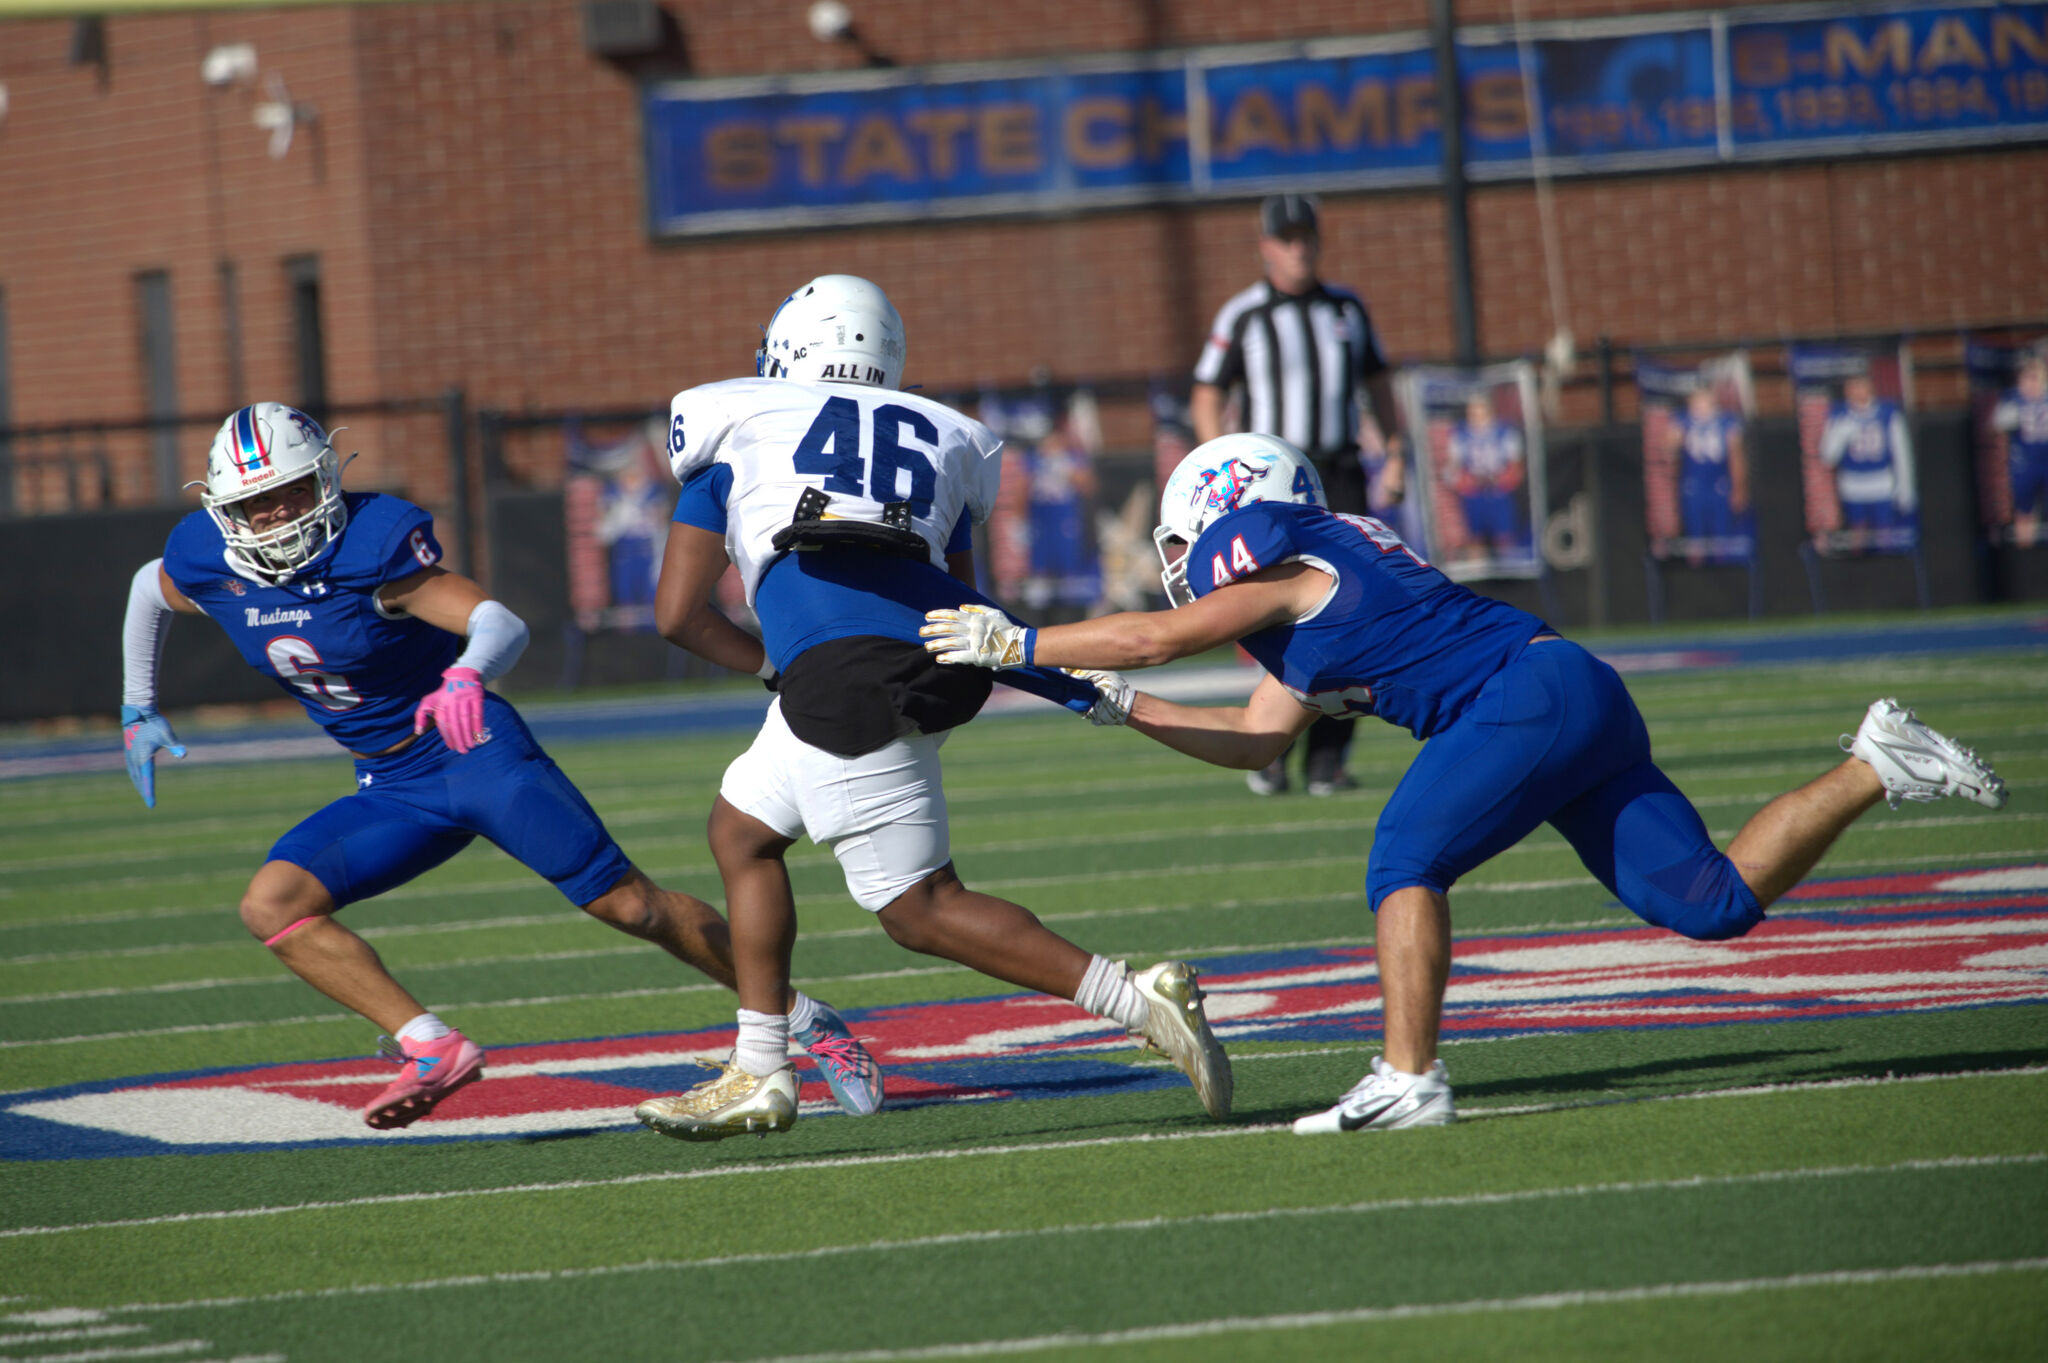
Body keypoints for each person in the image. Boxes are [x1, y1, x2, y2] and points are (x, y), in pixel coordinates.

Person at [922, 431, 2009, 1134]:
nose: (1177, 555)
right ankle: (1876, 761)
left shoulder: (1274, 544)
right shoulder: (1320, 582)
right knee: (1707, 899)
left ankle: (1408, 1075)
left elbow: (1159, 637)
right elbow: (1257, 738)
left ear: (1226, 506)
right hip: (1564, 687)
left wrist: (1019, 641)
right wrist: (1120, 710)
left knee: (1403, 857)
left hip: (1518, 697)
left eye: (1181, 535)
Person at [118, 403, 881, 1130]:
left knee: (631, 908)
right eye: (259, 504)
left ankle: (805, 1017)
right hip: (391, 784)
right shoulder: (210, 558)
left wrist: (467, 672)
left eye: (290, 494)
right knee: (271, 904)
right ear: (227, 511)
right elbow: (147, 588)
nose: (279, 516)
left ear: (321, 479)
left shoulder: (370, 544)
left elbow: (497, 621)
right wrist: (138, 703)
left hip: (473, 750)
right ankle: (429, 1044)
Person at [630, 275, 1232, 1141]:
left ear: (788, 351)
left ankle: (1134, 998)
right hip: (936, 663)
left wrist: (774, 662)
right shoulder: (947, 437)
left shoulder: (736, 420)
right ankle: (759, 1063)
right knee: (743, 829)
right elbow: (965, 604)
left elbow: (677, 614)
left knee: (921, 908)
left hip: (839, 675)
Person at [1192, 192, 1400, 798]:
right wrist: (1220, 465)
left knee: (1354, 608)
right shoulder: (1244, 314)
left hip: (1339, 472)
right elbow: (1206, 392)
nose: (1297, 247)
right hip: (1271, 482)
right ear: (1265, 247)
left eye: (1305, 235)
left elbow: (1379, 382)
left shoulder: (1347, 309)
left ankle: (1327, 761)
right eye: (1285, 238)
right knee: (1274, 611)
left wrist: (1394, 450)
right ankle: (1268, 747)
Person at [1819, 374, 1916, 551]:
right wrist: (1840, 434)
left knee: (1885, 534)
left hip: (1882, 483)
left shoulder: (1888, 412)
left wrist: (1905, 487)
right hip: (1852, 485)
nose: (1854, 391)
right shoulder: (1839, 414)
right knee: (1858, 534)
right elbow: (1827, 456)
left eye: (1859, 385)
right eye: (1850, 387)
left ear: (1870, 386)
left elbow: (1901, 453)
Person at [1670, 386, 1751, 563]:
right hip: (1693, 484)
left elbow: (1736, 456)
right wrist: (1675, 436)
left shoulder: (1727, 422)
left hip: (1719, 483)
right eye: (1695, 401)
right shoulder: (1683, 420)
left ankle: (1723, 574)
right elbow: (1668, 448)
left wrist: (1739, 487)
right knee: (1695, 543)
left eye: (1704, 400)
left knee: (1722, 541)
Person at [1446, 393, 1529, 562]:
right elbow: (1453, 467)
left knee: (1504, 536)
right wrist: (1463, 483)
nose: (1476, 418)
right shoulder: (1460, 434)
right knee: (1474, 538)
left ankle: (1509, 576)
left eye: (1480, 412)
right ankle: (1478, 574)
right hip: (1474, 494)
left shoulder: (1505, 432)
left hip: (1499, 492)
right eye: (1472, 413)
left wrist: (1503, 481)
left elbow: (1516, 466)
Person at [1992, 357, 2048, 548]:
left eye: (2035, 379)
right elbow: (1998, 423)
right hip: (2025, 464)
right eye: (2027, 379)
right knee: (2024, 512)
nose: (2031, 385)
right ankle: (2027, 555)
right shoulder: (2013, 400)